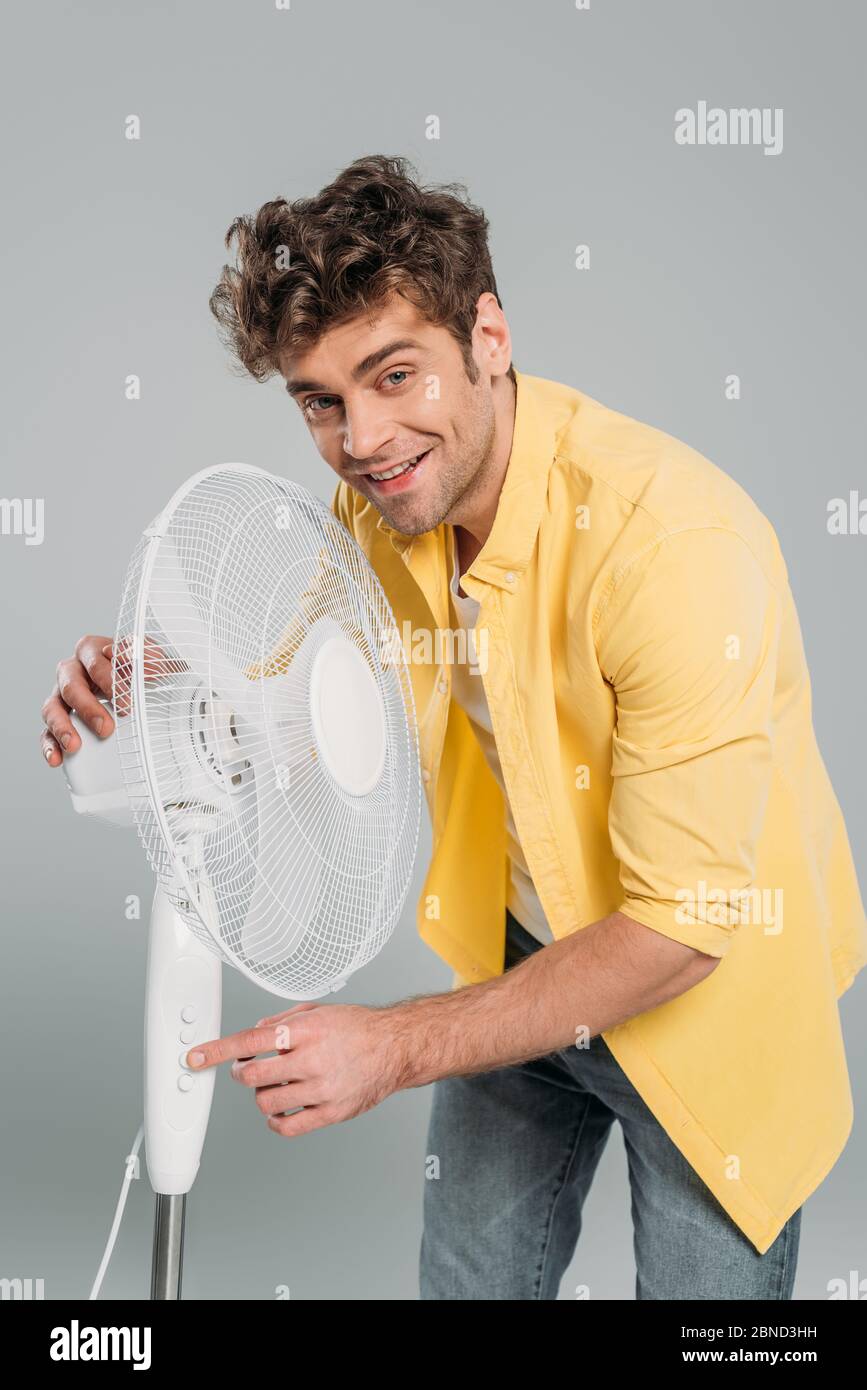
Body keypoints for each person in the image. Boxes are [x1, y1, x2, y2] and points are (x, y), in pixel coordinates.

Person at [40, 154, 866, 1300]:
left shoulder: (676, 551)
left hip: (699, 991)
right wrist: (154, 677)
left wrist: (390, 1045)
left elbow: (682, 929)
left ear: (488, 336)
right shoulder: (379, 510)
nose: (364, 439)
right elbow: (306, 692)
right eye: (322, 401)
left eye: (393, 375)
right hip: (521, 958)